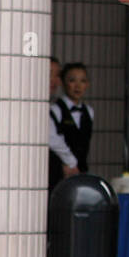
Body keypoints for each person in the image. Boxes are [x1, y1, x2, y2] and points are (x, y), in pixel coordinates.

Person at [49, 62, 93, 190]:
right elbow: (53, 140)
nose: (77, 86)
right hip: (59, 172)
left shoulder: (89, 111)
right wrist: (70, 162)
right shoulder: (55, 110)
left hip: (80, 170)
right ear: (63, 83)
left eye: (83, 81)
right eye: (72, 80)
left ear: (87, 85)